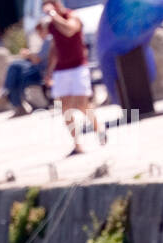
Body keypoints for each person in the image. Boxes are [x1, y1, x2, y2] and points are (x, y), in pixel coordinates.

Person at [43, 0, 103, 153]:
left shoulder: (72, 15)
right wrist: (49, 71)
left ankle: (98, 130)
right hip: (61, 70)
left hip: (78, 67)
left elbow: (69, 30)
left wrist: (53, 14)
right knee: (65, 108)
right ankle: (77, 144)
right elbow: (54, 47)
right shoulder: (51, 24)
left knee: (82, 104)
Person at [0, 22, 52, 115]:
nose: (39, 35)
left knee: (16, 68)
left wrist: (29, 54)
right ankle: (6, 94)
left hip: (42, 70)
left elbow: (38, 59)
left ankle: (8, 97)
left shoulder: (49, 39)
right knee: (15, 69)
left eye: (40, 32)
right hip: (39, 68)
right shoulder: (48, 40)